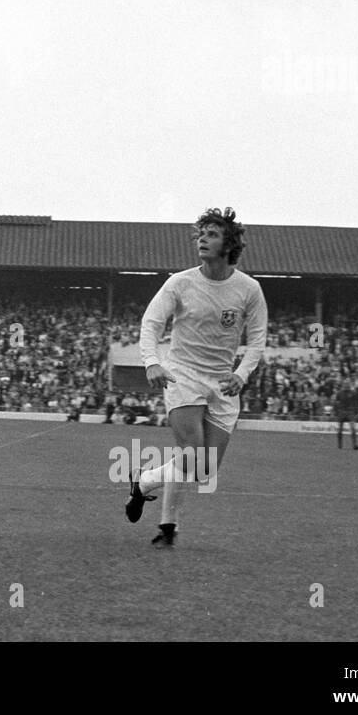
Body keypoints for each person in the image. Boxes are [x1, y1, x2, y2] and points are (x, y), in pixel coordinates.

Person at [125, 208, 268, 548]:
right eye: (201, 233)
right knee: (192, 452)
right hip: (183, 376)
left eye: (212, 234)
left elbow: (257, 340)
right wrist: (151, 362)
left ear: (229, 243)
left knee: (204, 470)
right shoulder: (180, 282)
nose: (203, 239)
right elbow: (152, 322)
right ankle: (168, 526)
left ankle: (144, 483)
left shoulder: (249, 289)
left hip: (222, 383)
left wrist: (241, 374)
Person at [335, 380, 358, 451]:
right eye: (345, 384)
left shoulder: (353, 393)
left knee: (353, 428)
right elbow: (336, 403)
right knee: (340, 429)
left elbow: (356, 403)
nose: (346, 386)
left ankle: (354, 445)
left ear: (349, 385)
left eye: (348, 384)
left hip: (350, 412)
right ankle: (340, 445)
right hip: (342, 412)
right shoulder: (339, 393)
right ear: (343, 385)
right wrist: (337, 412)